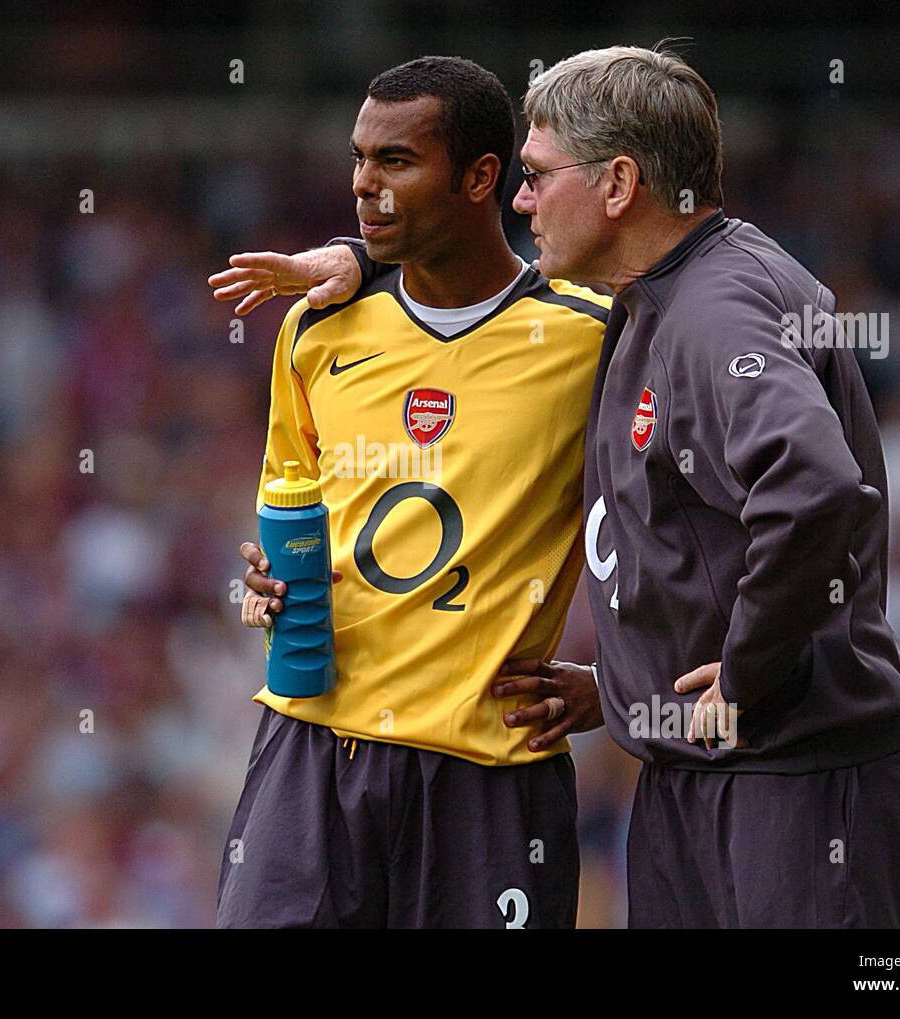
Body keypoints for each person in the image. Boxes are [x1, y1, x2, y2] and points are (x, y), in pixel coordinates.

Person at [233, 45, 900, 929]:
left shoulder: (675, 315)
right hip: (687, 764)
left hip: (770, 767)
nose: (524, 200)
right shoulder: (644, 302)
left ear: (617, 184)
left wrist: (746, 674)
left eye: (534, 175)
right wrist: (627, 683)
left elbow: (813, 488)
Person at [209, 56, 611, 929]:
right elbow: (291, 512)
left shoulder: (594, 341)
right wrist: (268, 584)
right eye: (359, 159)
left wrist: (619, 685)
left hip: (486, 771)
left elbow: (685, 534)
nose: (363, 185)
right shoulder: (316, 327)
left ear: (480, 178)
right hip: (312, 748)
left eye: (396, 162)